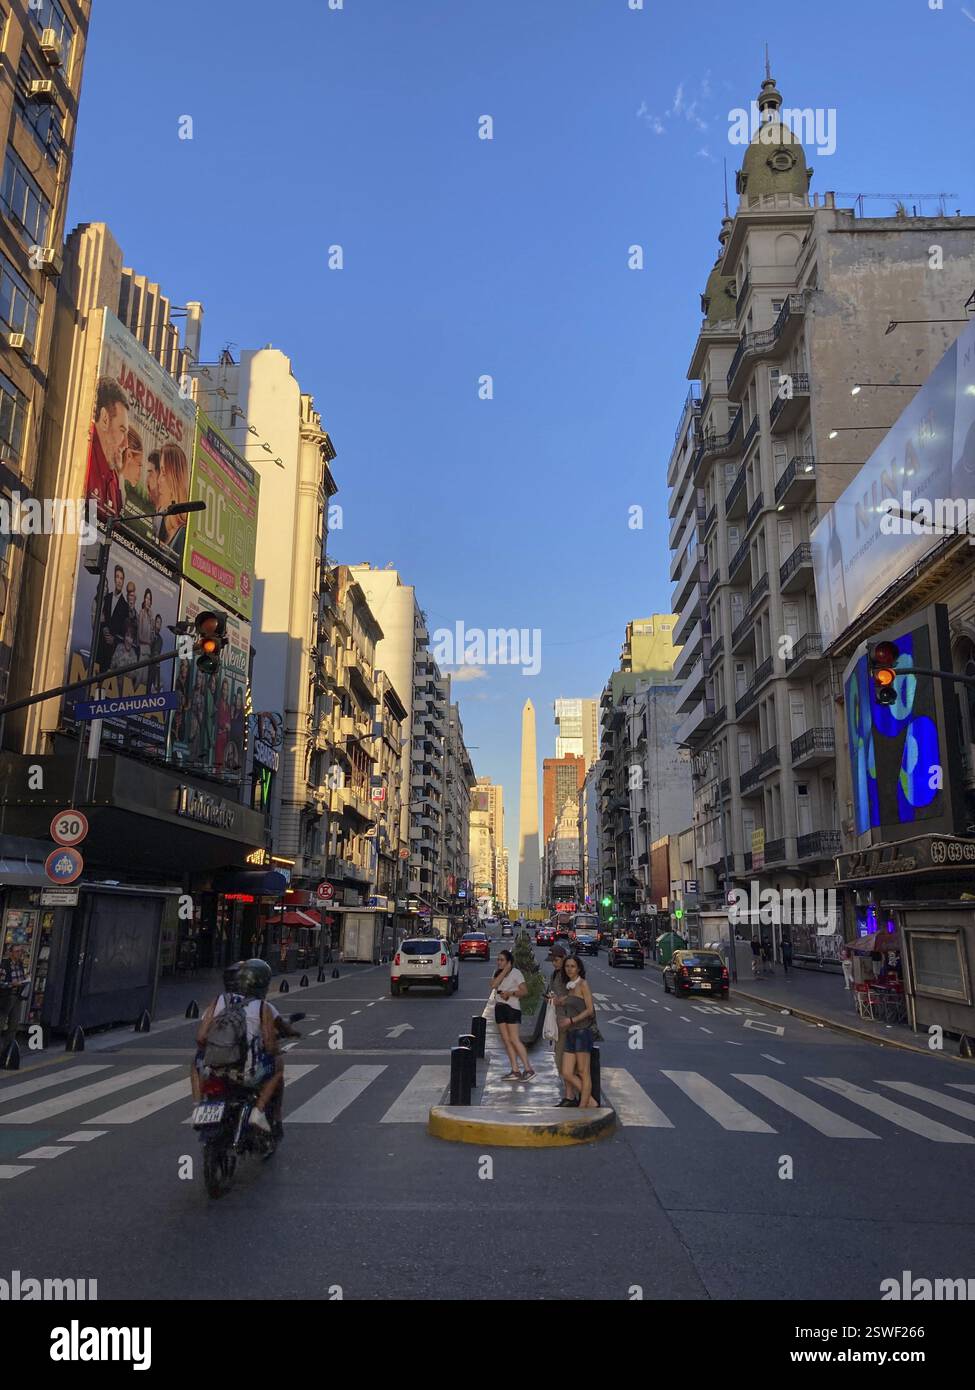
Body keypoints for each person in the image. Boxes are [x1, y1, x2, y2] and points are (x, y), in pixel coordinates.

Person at [193, 959, 282, 1133]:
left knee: (194, 1063)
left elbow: (201, 1037)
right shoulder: (262, 1006)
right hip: (247, 1073)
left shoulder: (219, 1000)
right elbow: (270, 1046)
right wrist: (276, 1050)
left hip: (213, 1070)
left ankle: (198, 1106)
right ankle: (259, 1110)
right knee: (277, 1069)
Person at [86, 378, 128, 517]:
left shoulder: (113, 474)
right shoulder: (85, 451)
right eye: (122, 430)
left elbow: (118, 522)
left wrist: (121, 476)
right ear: (104, 419)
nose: (125, 444)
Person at [559, 955, 598, 1108]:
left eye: (573, 966)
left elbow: (590, 1010)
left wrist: (571, 1020)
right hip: (571, 1033)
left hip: (582, 1032)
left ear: (579, 969)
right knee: (567, 1072)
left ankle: (583, 1107)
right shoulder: (569, 986)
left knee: (583, 1071)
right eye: (567, 966)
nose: (569, 969)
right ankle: (592, 1102)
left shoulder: (583, 985)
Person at [490, 948, 534, 1081]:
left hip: (512, 1008)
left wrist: (510, 993)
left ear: (509, 962)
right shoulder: (498, 973)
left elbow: (524, 991)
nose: (499, 962)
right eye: (498, 960)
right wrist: (503, 971)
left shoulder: (516, 973)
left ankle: (528, 1069)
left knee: (514, 1039)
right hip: (499, 1007)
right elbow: (493, 985)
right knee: (506, 1040)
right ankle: (515, 1070)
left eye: (502, 960)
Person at [146, 443, 191, 556]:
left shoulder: (183, 535)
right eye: (160, 473)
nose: (159, 480)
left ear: (175, 480)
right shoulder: (161, 521)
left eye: (164, 473)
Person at [545, 943, 573, 1101]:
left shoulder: (568, 974)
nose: (554, 963)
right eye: (552, 960)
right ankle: (570, 1095)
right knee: (560, 1060)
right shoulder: (555, 974)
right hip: (558, 1021)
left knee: (564, 1062)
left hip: (568, 1022)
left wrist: (559, 1000)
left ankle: (576, 1096)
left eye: (556, 960)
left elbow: (575, 997)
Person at [96, 564, 130, 672]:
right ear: (114, 579)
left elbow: (124, 632)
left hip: (112, 650)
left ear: (123, 581)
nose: (119, 580)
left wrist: (114, 639)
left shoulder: (125, 606)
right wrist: (104, 628)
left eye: (121, 578)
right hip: (100, 644)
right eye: (117, 577)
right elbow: (101, 617)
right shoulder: (107, 598)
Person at [0, 944, 29, 1059]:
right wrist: (12, 984)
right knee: (1, 1023)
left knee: (13, 1025)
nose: (19, 954)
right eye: (17, 952)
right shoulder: (4, 965)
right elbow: (1, 983)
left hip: (17, 996)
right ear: (11, 953)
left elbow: (20, 978)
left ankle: (7, 1051)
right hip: (6, 997)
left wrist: (25, 979)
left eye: (20, 952)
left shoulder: (20, 964)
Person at [146, 614, 164, 694]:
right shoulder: (149, 633)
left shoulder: (160, 639)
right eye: (157, 622)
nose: (158, 625)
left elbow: (157, 655)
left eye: (160, 623)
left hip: (154, 666)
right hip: (145, 664)